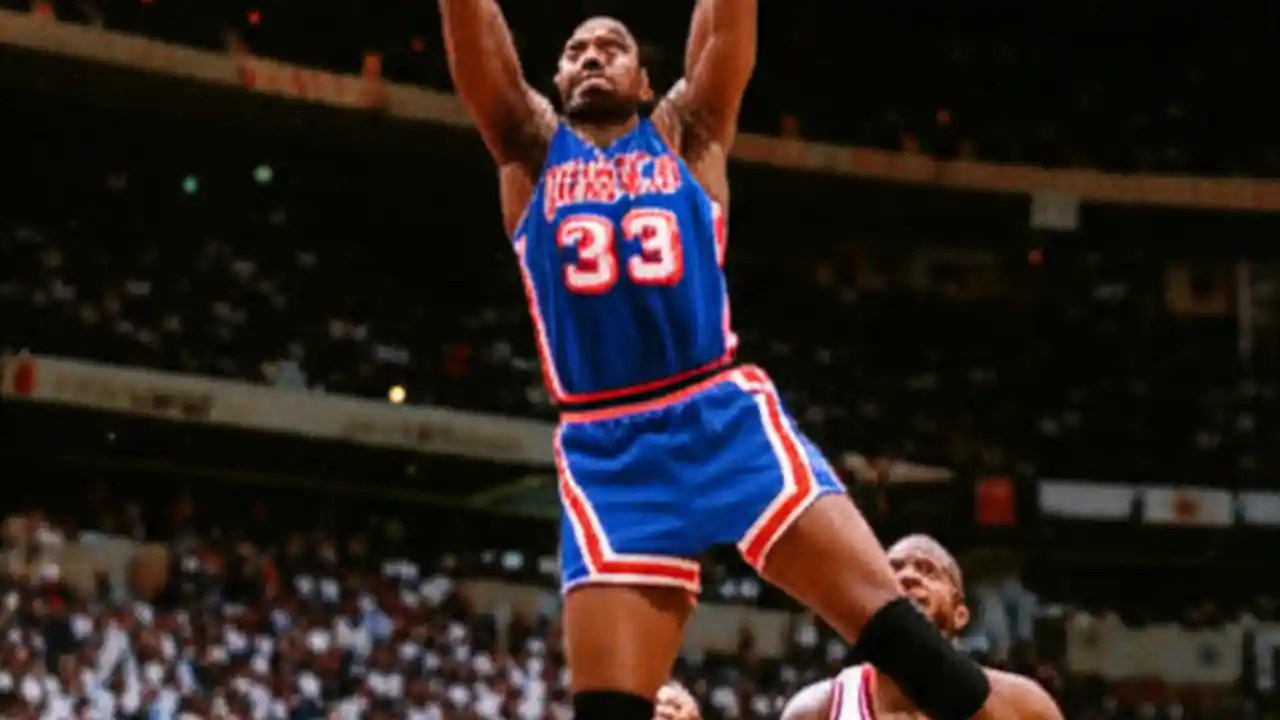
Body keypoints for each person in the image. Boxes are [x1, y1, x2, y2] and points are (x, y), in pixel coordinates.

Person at [436, 1, 990, 718]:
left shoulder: (687, 133)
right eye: (576, 50)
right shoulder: (530, 151)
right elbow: (480, 54)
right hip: (608, 450)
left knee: (920, 657)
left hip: (718, 412)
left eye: (613, 47)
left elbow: (729, 28)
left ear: (645, 81)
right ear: (556, 75)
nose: (593, 56)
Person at [782, 535, 1064, 720]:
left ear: (960, 615)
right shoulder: (816, 710)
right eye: (892, 570)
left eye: (928, 570)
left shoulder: (1025, 707)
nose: (907, 577)